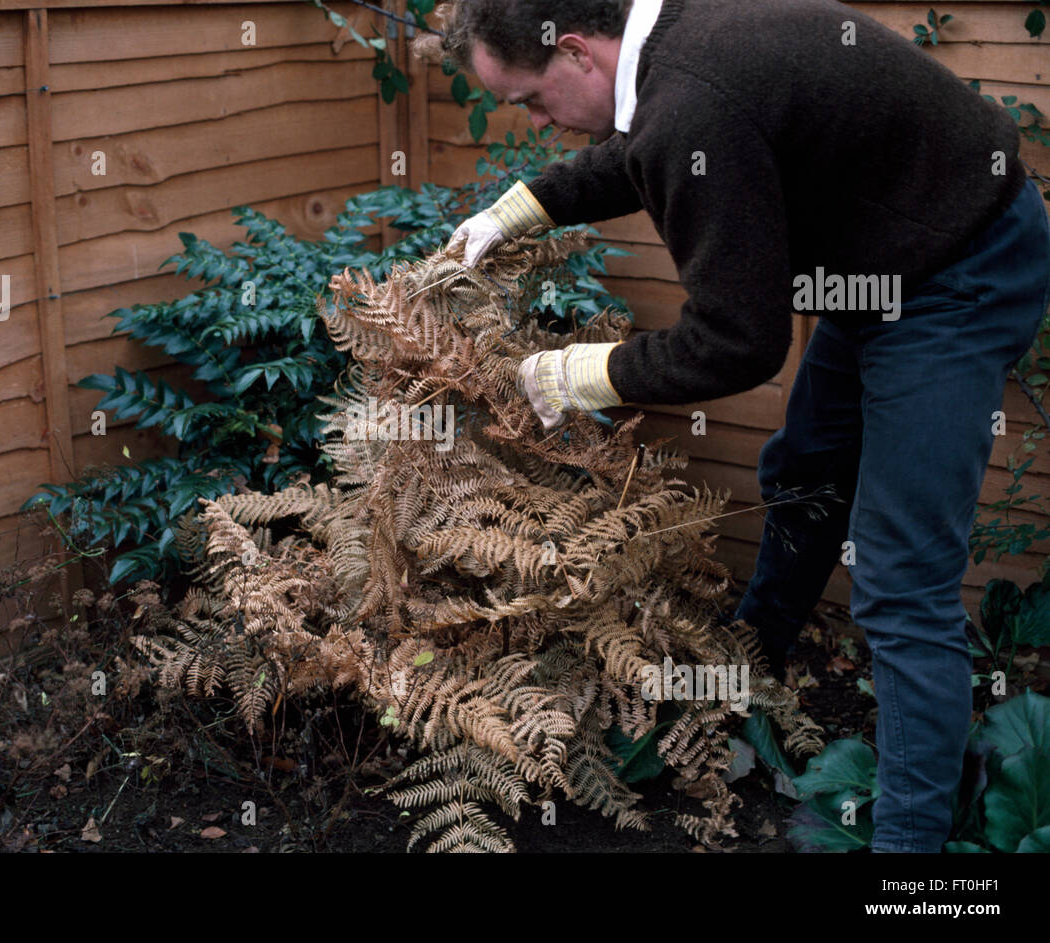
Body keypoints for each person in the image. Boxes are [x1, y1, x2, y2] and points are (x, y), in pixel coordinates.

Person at [439, 0, 1050, 853]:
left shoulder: (691, 95)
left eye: (533, 101)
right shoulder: (677, 46)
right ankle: (749, 668)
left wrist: (578, 373)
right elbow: (642, 150)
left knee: (900, 580)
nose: (539, 123)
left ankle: (912, 868)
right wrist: (522, 206)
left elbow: (737, 342)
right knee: (806, 468)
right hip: (884, 257)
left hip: (961, 268)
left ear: (577, 50)